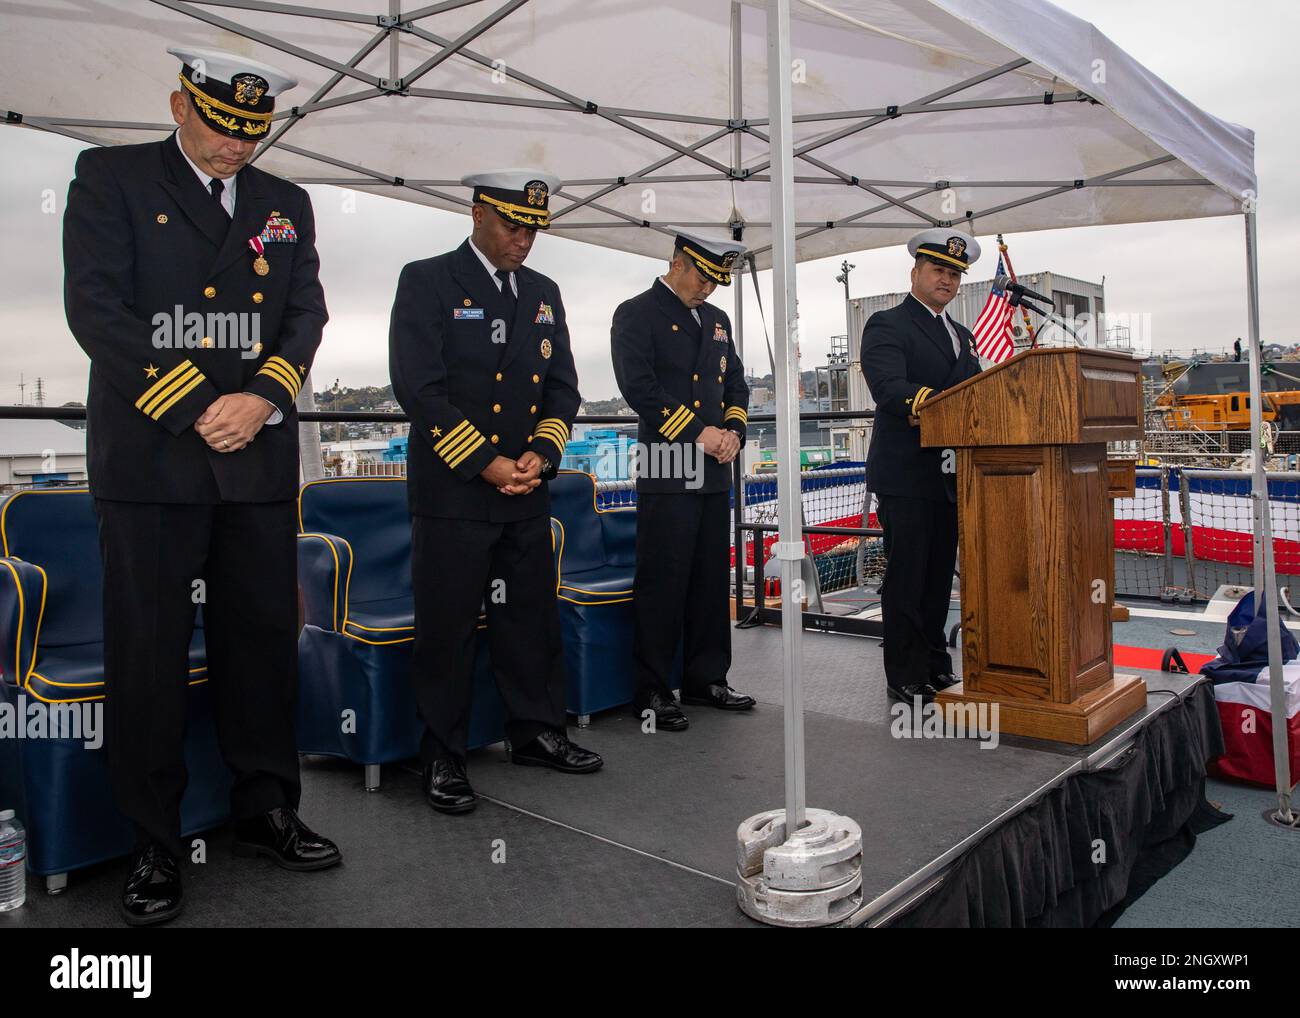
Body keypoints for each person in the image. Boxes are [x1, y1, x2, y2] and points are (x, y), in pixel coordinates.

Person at [62, 47, 341, 926]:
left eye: (252, 132)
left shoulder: (285, 204)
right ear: (179, 103)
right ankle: (152, 839)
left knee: (261, 642)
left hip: (255, 461)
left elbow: (306, 314)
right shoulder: (108, 178)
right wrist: (197, 407)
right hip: (152, 462)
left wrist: (262, 397)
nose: (236, 146)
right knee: (145, 654)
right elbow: (97, 308)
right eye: (223, 126)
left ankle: (265, 806)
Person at [389, 169, 602, 815]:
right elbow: (419, 388)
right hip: (456, 493)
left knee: (530, 619)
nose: (525, 238)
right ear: (477, 212)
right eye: (513, 224)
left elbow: (563, 387)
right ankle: (442, 754)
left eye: (534, 226)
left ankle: (536, 732)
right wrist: (484, 462)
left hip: (526, 489)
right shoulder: (426, 280)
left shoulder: (543, 292)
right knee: (448, 627)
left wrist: (543, 451)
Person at [611, 233, 755, 732]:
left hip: (716, 463)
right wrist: (698, 433)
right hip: (667, 460)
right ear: (676, 262)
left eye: (717, 280)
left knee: (710, 577)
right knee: (663, 579)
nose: (709, 289)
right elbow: (639, 387)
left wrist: (734, 431)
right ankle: (651, 689)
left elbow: (735, 382)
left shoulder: (718, 322)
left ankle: (705, 677)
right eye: (702, 276)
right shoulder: (636, 313)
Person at [860, 229, 983, 704]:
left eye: (954, 273)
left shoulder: (963, 335)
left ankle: (935, 664)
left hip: (951, 476)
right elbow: (889, 387)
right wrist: (943, 406)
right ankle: (905, 673)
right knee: (908, 576)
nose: (947, 280)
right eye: (938, 270)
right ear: (915, 273)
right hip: (907, 472)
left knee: (936, 578)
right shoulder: (887, 324)